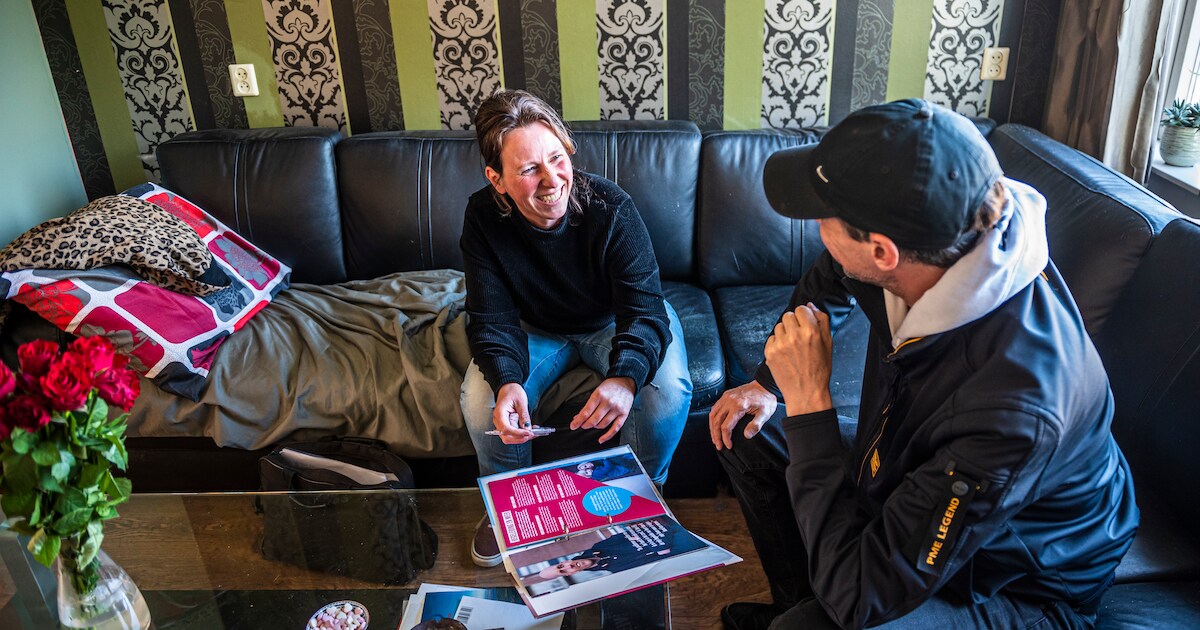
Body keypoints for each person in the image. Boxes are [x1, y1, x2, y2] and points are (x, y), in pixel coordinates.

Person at [709, 99, 1138, 629]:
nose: (817, 226)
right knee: (746, 432)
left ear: (884, 252)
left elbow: (862, 596)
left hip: (1021, 582)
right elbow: (830, 279)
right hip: (918, 465)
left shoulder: (1016, 411)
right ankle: (798, 599)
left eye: (824, 215)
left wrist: (812, 403)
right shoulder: (940, 240)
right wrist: (771, 384)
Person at [460, 90, 692, 568]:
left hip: (613, 321)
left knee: (666, 392)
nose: (552, 181)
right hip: (534, 327)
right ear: (497, 180)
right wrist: (506, 380)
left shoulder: (611, 207)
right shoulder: (482, 218)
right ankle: (508, 504)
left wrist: (626, 376)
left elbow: (645, 310)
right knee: (479, 401)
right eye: (528, 170)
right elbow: (491, 315)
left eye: (557, 158)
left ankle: (645, 498)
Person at [536, 518, 700, 580]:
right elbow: (647, 565)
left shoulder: (598, 547)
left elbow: (627, 533)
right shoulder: (612, 571)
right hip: (671, 549)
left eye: (560, 566)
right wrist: (660, 553)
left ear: (564, 561)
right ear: (571, 574)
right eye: (563, 571)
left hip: (661, 532)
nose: (568, 567)